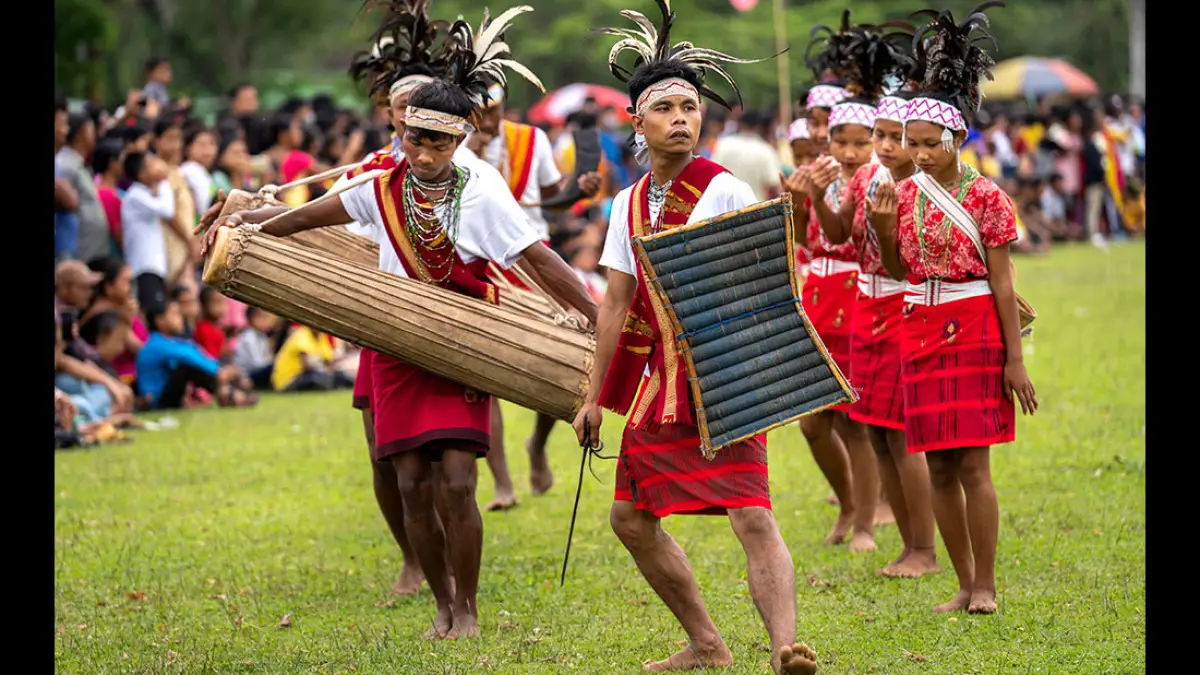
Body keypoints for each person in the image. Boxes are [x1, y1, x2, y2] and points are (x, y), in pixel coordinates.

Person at [201, 7, 598, 639]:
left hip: (464, 340)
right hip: (395, 345)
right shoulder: (380, 183)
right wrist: (246, 224)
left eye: (438, 141)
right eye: (414, 137)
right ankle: (439, 601)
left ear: (460, 139)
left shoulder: (483, 188)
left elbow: (540, 260)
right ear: (401, 130)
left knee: (460, 480)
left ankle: (466, 609)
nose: (423, 151)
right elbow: (306, 217)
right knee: (412, 484)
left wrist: (597, 318)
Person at [575, 3, 816, 673]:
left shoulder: (726, 190)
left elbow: (773, 284)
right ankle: (706, 641)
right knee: (629, 516)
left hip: (725, 370)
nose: (682, 117)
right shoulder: (627, 204)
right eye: (666, 108)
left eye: (690, 105)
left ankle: (783, 650)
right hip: (662, 381)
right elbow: (617, 302)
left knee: (751, 513)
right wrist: (592, 395)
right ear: (638, 122)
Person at [867, 4, 1037, 615]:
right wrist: (885, 230)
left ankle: (986, 585)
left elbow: (1001, 279)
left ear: (956, 139)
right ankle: (962, 583)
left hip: (974, 331)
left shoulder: (987, 196)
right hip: (918, 330)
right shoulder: (900, 194)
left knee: (973, 467)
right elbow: (896, 272)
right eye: (909, 144)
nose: (915, 154)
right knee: (936, 467)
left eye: (927, 143)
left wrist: (1015, 360)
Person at [790, 27, 940, 576]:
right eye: (869, 135)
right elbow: (834, 234)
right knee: (868, 428)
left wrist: (881, 222)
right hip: (852, 304)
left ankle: (917, 544)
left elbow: (898, 260)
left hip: (889, 305)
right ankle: (900, 538)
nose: (874, 147)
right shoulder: (862, 179)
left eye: (885, 135)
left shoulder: (914, 185)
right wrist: (805, 194)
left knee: (893, 434)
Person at [466, 80, 604, 509]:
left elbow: (551, 202)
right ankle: (503, 484)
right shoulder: (450, 148)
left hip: (535, 263)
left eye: (496, 110)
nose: (490, 121)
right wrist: (467, 151)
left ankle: (538, 446)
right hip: (480, 264)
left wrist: (578, 192)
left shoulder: (531, 140)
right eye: (481, 113)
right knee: (482, 374)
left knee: (555, 364)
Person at [136, 299, 255, 409]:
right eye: (174, 314)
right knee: (185, 368)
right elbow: (186, 355)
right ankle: (227, 394)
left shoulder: (172, 341)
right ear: (159, 320)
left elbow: (191, 350)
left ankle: (232, 391)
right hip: (155, 400)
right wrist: (217, 371)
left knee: (205, 365)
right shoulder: (156, 343)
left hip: (166, 394)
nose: (180, 319)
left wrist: (219, 367)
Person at [121, 151, 176, 312]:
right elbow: (167, 210)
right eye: (152, 163)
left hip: (153, 266)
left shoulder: (144, 194)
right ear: (141, 172)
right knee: (154, 312)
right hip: (144, 267)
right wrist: (164, 181)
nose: (158, 166)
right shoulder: (135, 195)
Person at [56, 112, 112, 264]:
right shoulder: (67, 165)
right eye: (91, 129)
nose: (94, 134)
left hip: (91, 249)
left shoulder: (79, 165)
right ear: (81, 133)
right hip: (78, 250)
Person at [712, 109, 782, 201]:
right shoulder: (766, 151)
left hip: (725, 208)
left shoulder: (723, 145)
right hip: (755, 209)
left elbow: (712, 176)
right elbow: (774, 185)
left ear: (740, 124)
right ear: (758, 127)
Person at [234, 307, 279, 390]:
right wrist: (273, 363)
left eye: (266, 317)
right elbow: (256, 364)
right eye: (261, 317)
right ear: (250, 319)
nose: (265, 321)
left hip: (258, 370)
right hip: (248, 375)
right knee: (274, 366)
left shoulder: (263, 337)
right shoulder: (249, 338)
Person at [194, 285, 231, 360]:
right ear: (204, 305)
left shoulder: (218, 326)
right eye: (216, 302)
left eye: (223, 302)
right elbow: (211, 358)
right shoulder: (204, 329)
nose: (221, 306)